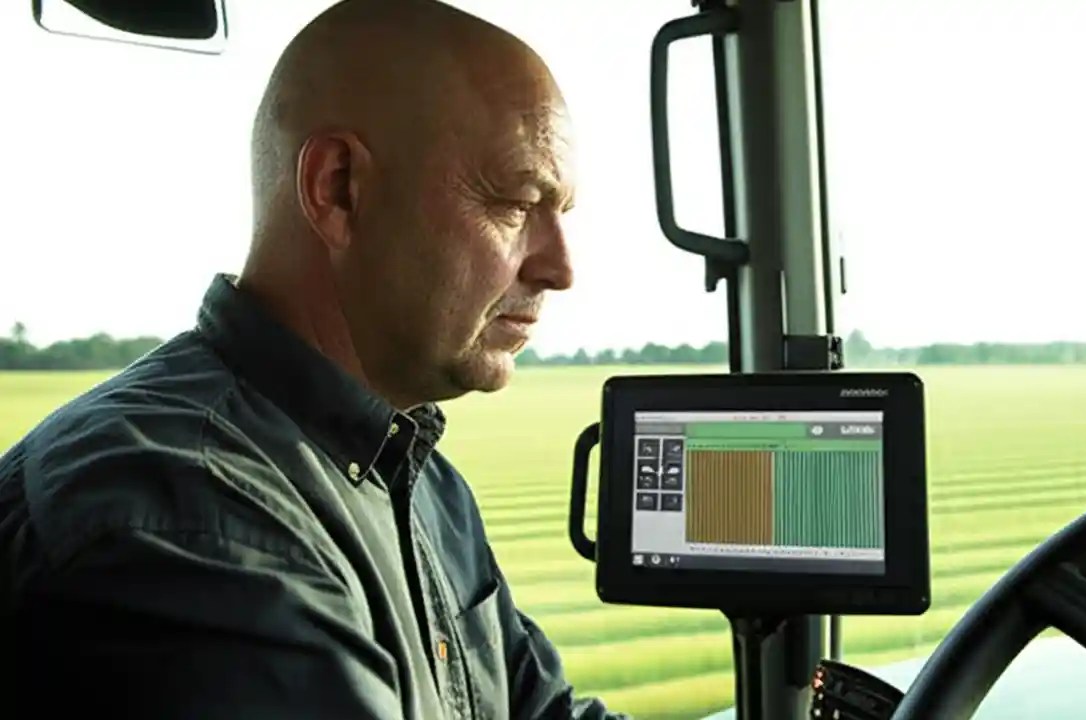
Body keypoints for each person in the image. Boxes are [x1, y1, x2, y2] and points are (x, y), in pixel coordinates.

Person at [0, 1, 626, 718]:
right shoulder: (186, 512)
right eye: (517, 202)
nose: (559, 268)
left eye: (560, 213)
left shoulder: (421, 482)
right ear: (338, 189)